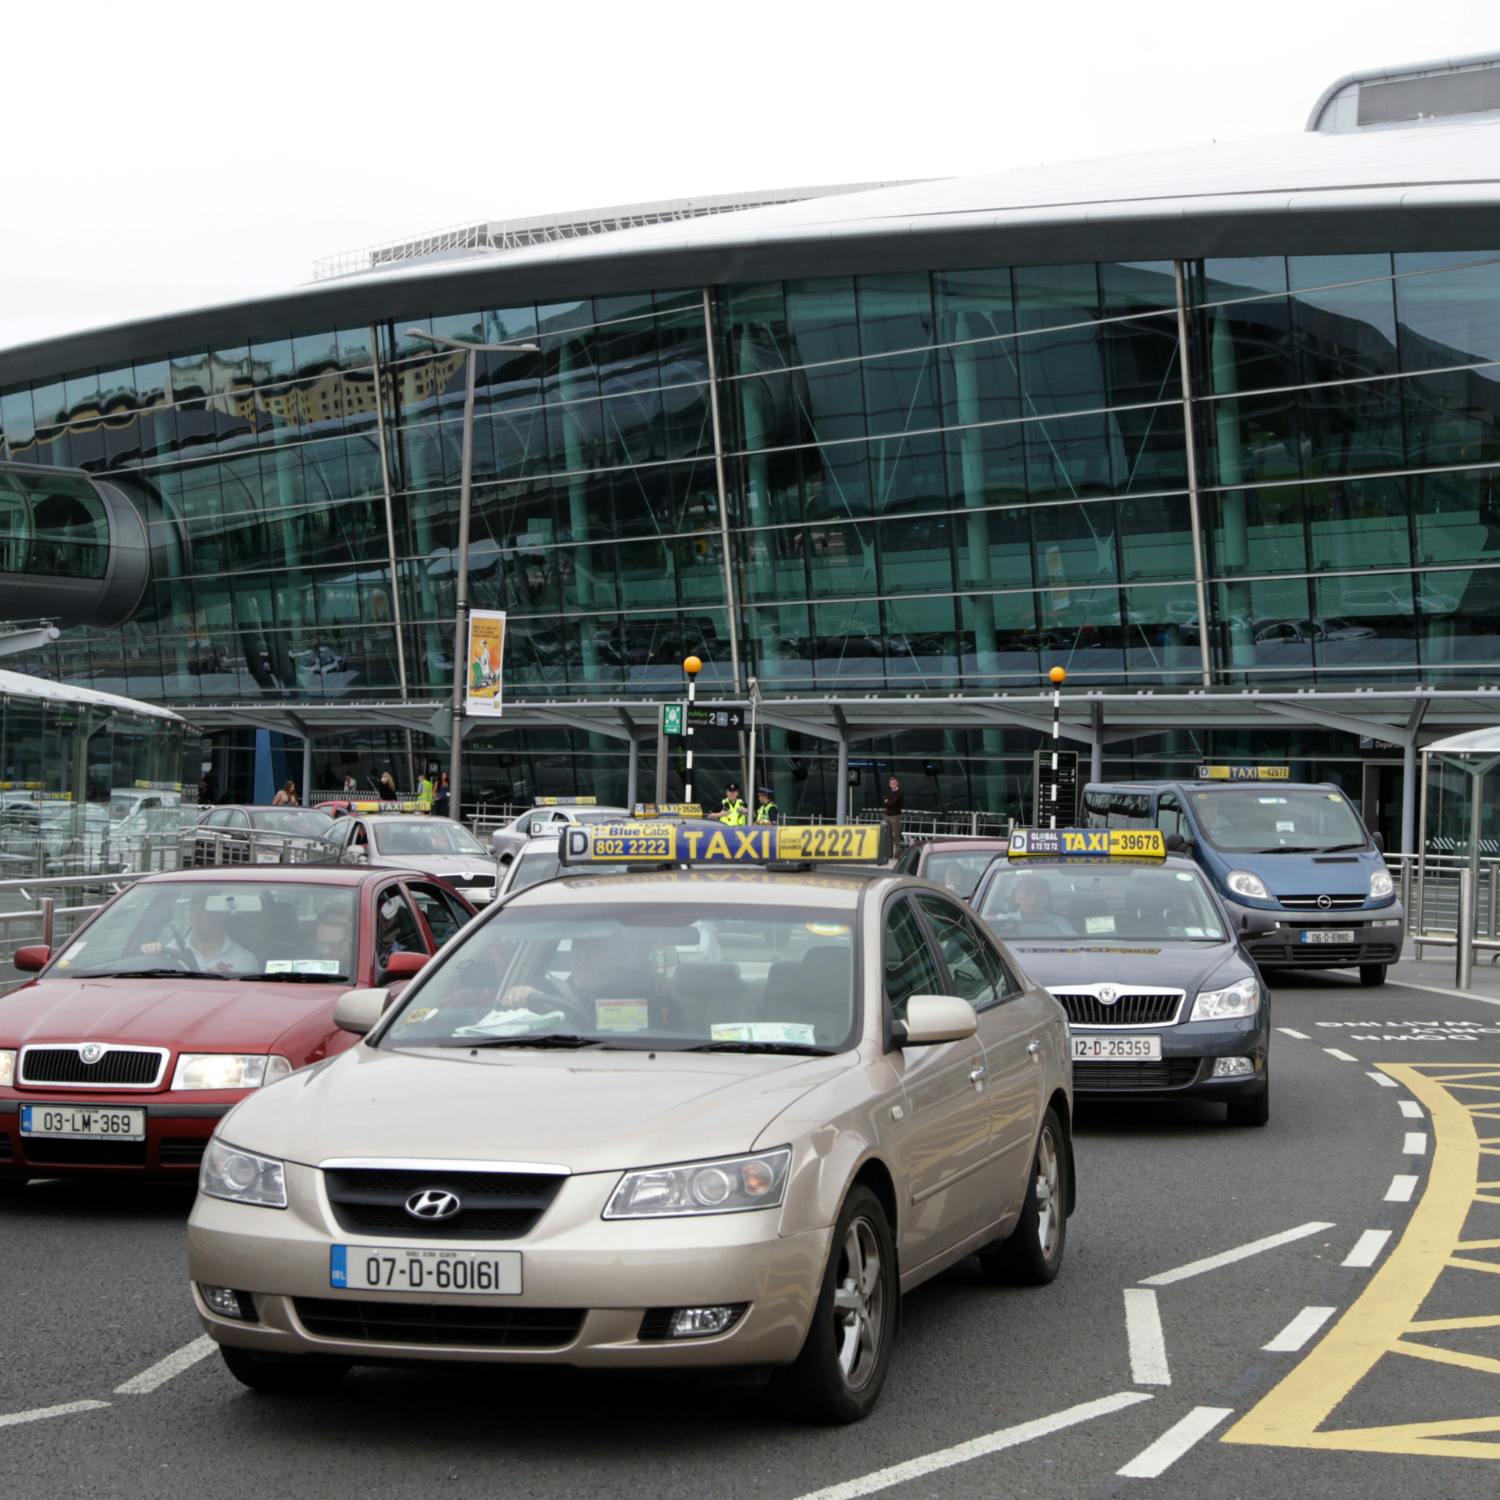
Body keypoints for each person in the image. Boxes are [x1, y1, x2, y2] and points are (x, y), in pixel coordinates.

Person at [143, 893, 258, 975]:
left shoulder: (244, 961)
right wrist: (152, 956)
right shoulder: (171, 952)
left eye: (204, 909)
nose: (197, 915)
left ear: (221, 915)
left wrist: (224, 980)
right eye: (193, 908)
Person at [883, 777, 903, 856]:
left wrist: (888, 801)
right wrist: (888, 801)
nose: (893, 784)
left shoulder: (899, 793)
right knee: (888, 835)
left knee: (896, 835)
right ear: (889, 784)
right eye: (891, 783)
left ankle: (897, 853)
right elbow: (885, 801)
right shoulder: (889, 792)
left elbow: (893, 803)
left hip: (895, 816)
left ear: (897, 783)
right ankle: (889, 853)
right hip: (887, 815)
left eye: (894, 783)